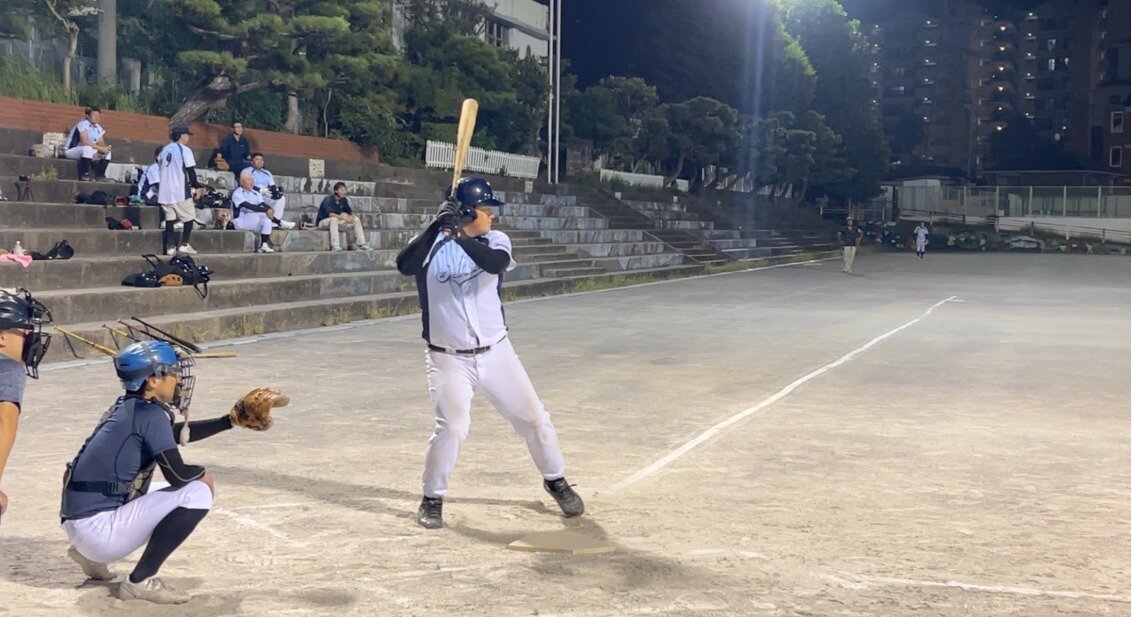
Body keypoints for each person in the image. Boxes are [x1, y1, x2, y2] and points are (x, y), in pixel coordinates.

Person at [396, 177, 584, 530]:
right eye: (485, 209)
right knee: (452, 428)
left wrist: (460, 235)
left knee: (535, 419)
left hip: (496, 353)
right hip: (448, 358)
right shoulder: (429, 246)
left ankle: (555, 479)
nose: (492, 215)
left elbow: (495, 263)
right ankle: (432, 498)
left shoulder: (496, 240)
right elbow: (405, 265)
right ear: (467, 212)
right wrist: (438, 227)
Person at [60, 341, 221, 603]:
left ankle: (89, 556)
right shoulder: (150, 415)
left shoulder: (129, 407)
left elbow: (171, 435)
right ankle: (139, 582)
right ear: (153, 380)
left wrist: (229, 421)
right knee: (197, 492)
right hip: (99, 532)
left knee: (167, 491)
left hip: (80, 522)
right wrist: (204, 474)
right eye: (173, 372)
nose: (179, 378)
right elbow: (178, 475)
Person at [0, 289, 52, 521]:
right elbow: (4, 422)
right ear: (2, 337)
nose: (31, 339)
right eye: (24, 332)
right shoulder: (8, 368)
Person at [157, 125, 202, 256]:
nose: (188, 137)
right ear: (181, 136)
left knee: (170, 218)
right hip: (179, 189)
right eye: (187, 135)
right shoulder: (185, 150)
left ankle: (170, 247)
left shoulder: (164, 149)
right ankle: (184, 244)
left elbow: (160, 164)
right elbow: (190, 170)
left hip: (164, 190)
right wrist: (196, 186)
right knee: (189, 217)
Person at [230, 170, 279, 253]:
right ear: (242, 182)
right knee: (257, 214)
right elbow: (249, 206)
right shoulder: (238, 193)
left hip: (253, 222)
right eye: (248, 180)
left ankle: (263, 245)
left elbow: (262, 204)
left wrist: (270, 209)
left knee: (267, 221)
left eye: (252, 180)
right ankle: (279, 223)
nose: (251, 182)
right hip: (240, 221)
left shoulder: (255, 193)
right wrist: (266, 210)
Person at [317, 182, 371, 252]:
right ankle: (335, 246)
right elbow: (331, 214)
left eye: (345, 190)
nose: (344, 192)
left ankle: (362, 244)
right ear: (336, 191)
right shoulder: (328, 199)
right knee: (334, 219)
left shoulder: (344, 200)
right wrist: (344, 218)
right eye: (342, 190)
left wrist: (351, 217)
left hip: (337, 222)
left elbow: (349, 212)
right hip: (324, 223)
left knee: (356, 219)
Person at [248, 153, 296, 229]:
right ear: (252, 162)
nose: (260, 161)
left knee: (281, 198)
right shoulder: (247, 171)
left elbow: (272, 186)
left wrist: (277, 191)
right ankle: (279, 222)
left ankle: (275, 224)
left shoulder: (267, 173)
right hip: (252, 195)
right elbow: (246, 185)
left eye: (262, 160)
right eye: (257, 159)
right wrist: (259, 190)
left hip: (266, 194)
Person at [64, 107, 112, 181]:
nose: (97, 117)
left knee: (107, 152)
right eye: (94, 115)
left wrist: (104, 149)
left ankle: (100, 175)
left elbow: (101, 143)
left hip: (87, 152)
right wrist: (100, 148)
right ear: (88, 116)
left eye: (98, 115)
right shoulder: (82, 124)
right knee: (88, 148)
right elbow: (85, 141)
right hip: (71, 150)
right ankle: (84, 174)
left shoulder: (98, 128)